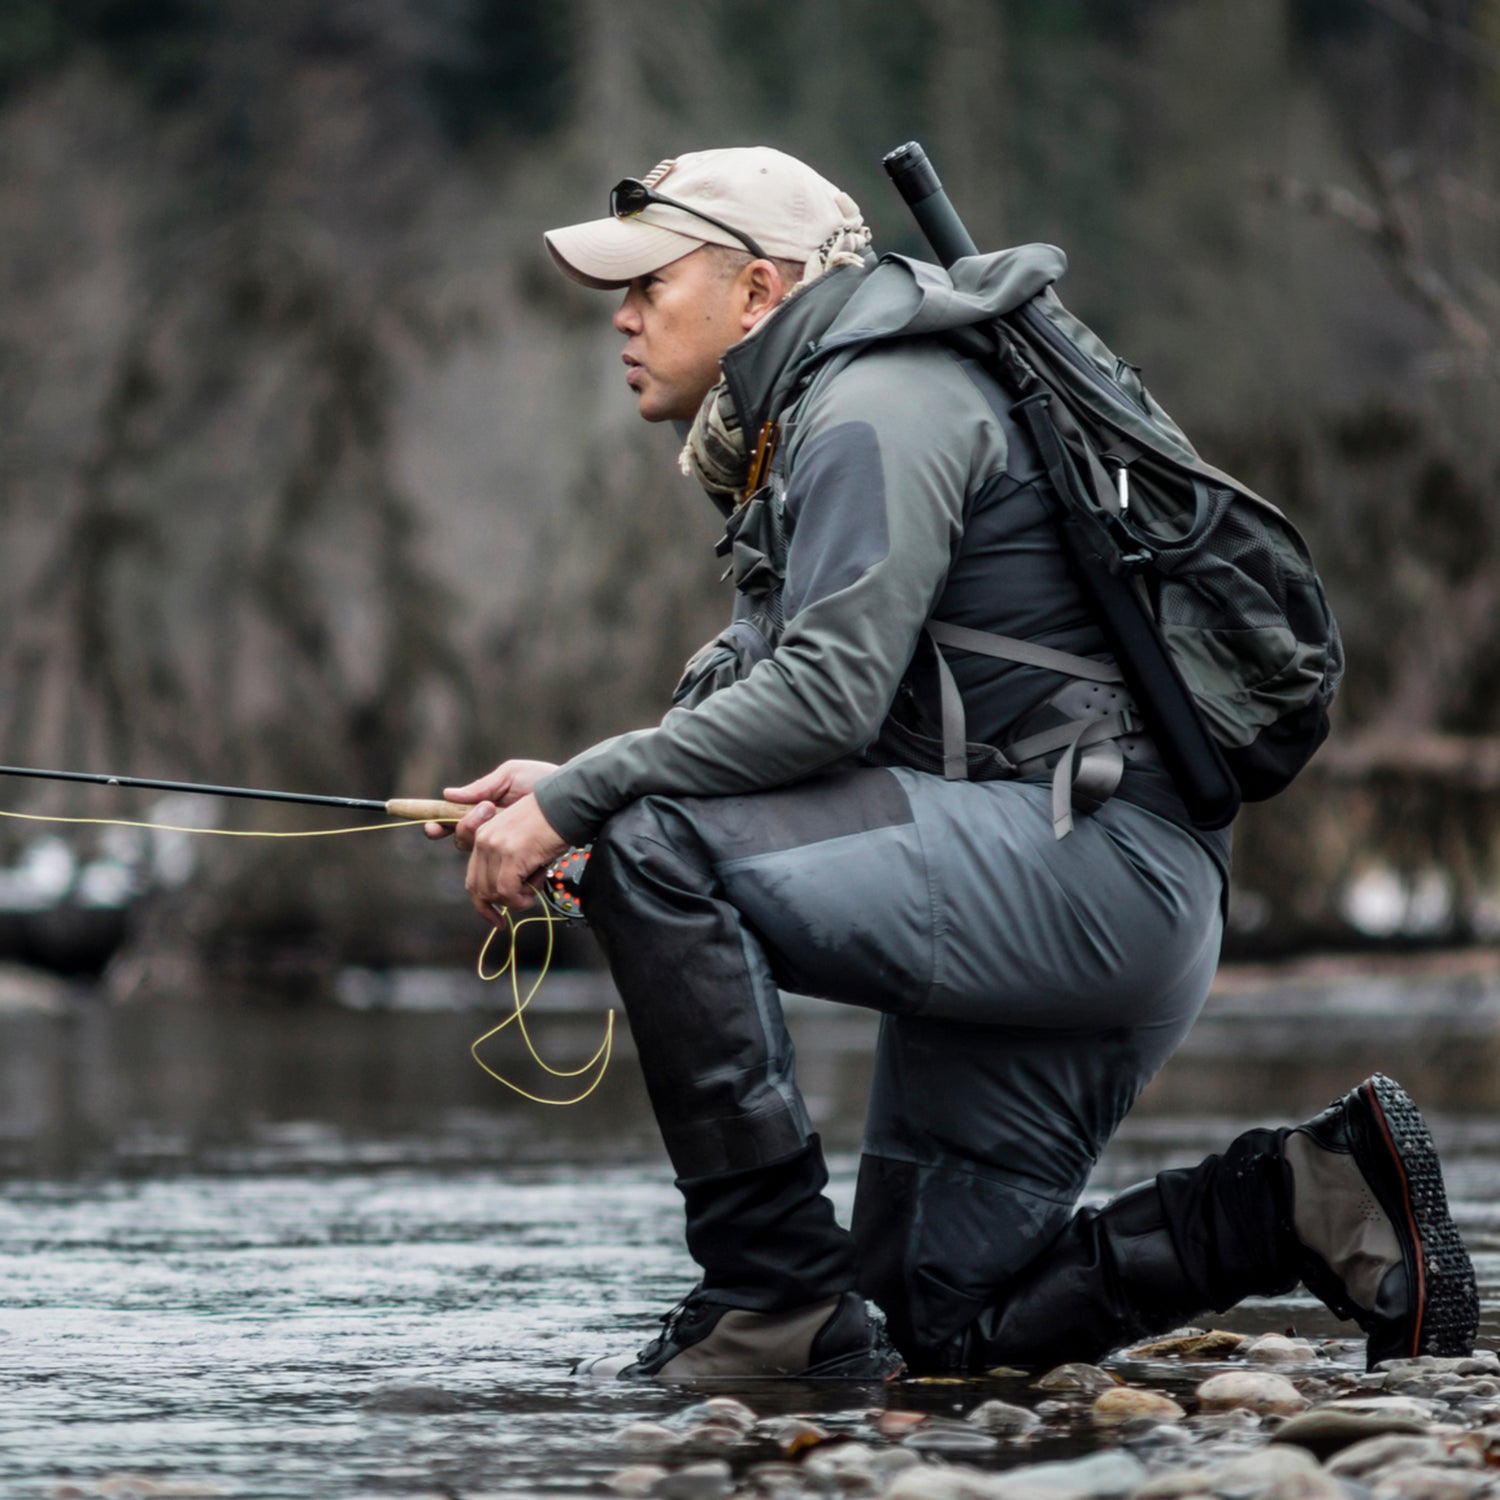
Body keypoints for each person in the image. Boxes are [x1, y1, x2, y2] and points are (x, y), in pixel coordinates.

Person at [429, 148, 1479, 1381]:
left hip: (1087, 872)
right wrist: (576, 794)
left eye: (650, 284)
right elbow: (802, 713)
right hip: (1066, 880)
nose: (622, 315)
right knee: (939, 1330)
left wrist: (588, 795)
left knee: (659, 846)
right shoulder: (824, 413)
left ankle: (769, 1295)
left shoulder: (879, 404)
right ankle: (1307, 1198)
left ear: (758, 291)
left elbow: (823, 705)